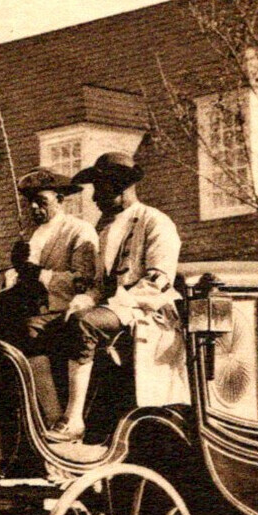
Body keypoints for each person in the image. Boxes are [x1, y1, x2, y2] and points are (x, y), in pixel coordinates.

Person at [46, 145, 182, 443]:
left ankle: (74, 418)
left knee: (84, 324)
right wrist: (84, 299)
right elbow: (97, 282)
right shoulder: (105, 230)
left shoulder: (155, 222)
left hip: (147, 313)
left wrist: (113, 304)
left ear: (120, 187)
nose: (94, 198)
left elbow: (157, 281)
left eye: (100, 189)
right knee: (56, 328)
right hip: (114, 310)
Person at [0, 169, 101, 422]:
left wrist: (38, 274)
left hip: (62, 311)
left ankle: (53, 416)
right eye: (32, 203)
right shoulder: (29, 235)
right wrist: (13, 275)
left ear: (60, 200)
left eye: (43, 202)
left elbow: (83, 280)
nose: (36, 208)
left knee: (27, 331)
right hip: (29, 308)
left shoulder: (79, 231)